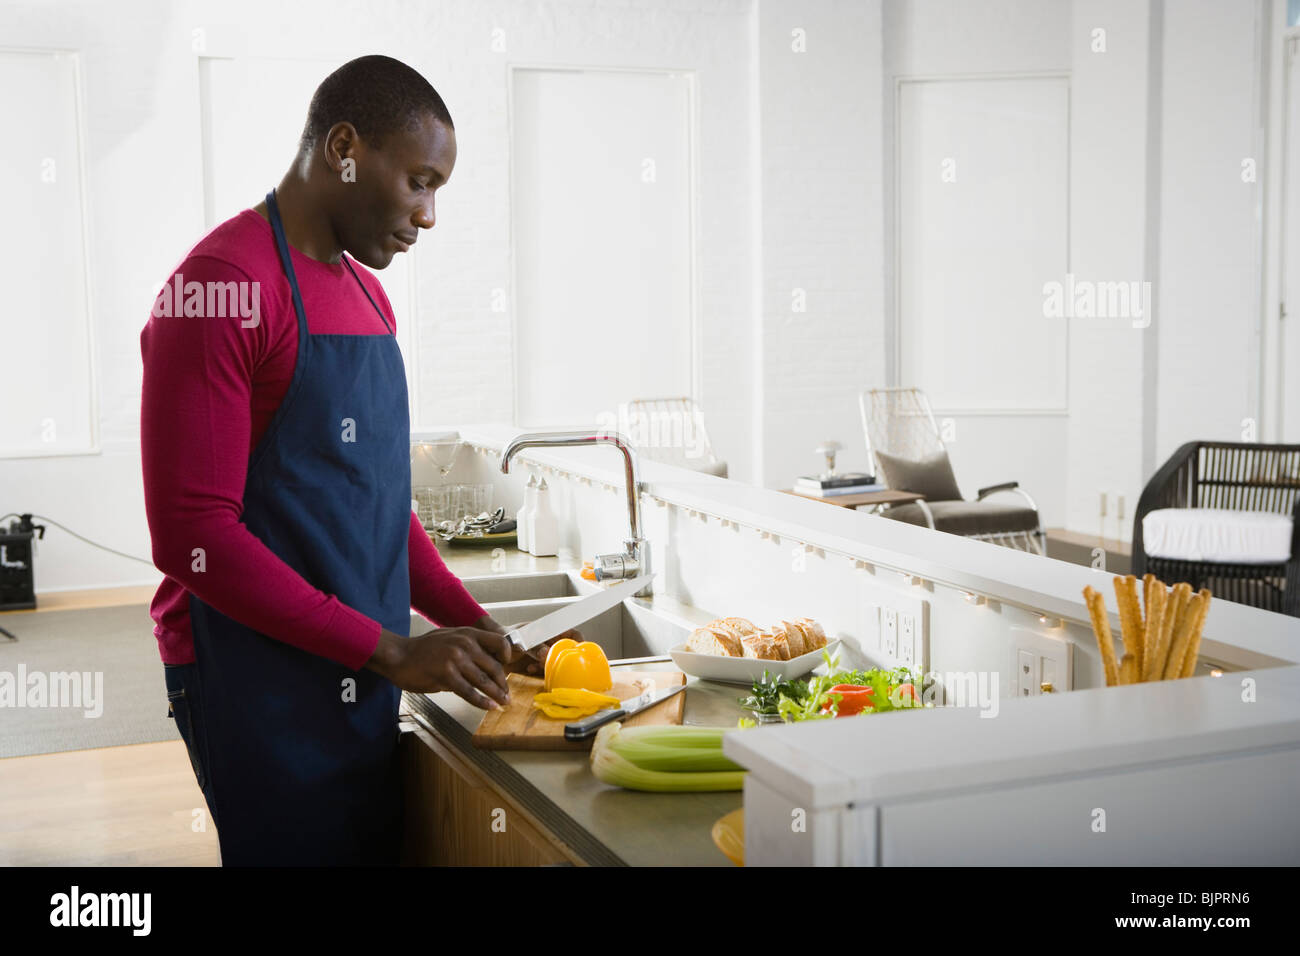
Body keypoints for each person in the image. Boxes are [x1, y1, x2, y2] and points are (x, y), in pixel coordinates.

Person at [140, 54, 563, 866]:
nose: (430, 214)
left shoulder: (367, 295)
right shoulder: (218, 288)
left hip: (353, 664)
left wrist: (474, 626)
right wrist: (395, 650)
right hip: (250, 673)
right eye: (419, 181)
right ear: (344, 147)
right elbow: (193, 536)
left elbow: (379, 502)